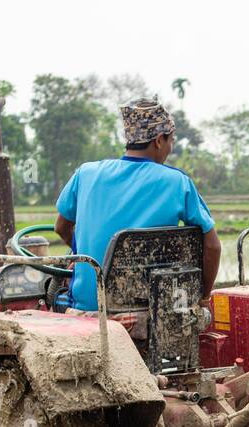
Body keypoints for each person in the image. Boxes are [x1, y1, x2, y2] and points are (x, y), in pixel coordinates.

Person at [53, 98, 221, 312]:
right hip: (152, 308)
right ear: (159, 140)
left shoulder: (86, 173)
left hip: (88, 307)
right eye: (171, 141)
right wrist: (204, 296)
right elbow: (213, 245)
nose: (170, 148)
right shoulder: (176, 182)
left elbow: (61, 227)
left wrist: (82, 255)